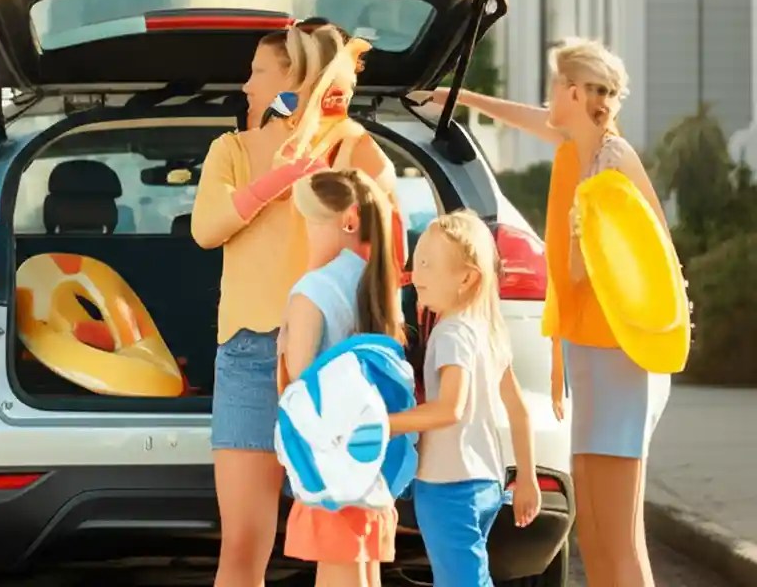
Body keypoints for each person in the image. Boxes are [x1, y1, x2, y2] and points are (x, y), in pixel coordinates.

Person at [416, 38, 671, 586]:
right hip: (587, 354)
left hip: (622, 359)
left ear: (574, 93)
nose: (547, 98)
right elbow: (523, 117)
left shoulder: (613, 158)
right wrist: (458, 100)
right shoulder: (570, 145)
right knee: (595, 533)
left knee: (621, 536)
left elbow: (659, 253)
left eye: (554, 87)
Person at [191, 22, 338, 587]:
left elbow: (378, 235)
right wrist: (279, 178)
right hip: (250, 354)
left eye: (257, 71)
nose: (246, 84)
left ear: (294, 77)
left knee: (337, 539)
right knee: (244, 546)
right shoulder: (230, 150)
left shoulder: (347, 145)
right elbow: (206, 228)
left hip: (329, 355)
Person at [387, 211, 542, 586]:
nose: (416, 272)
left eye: (427, 263)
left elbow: (449, 409)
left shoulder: (452, 334)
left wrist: (383, 423)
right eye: (416, 260)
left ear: (467, 278)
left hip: (448, 486)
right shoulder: (486, 330)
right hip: (486, 481)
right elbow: (519, 412)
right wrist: (527, 477)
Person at [277, 169, 403, 587]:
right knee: (364, 576)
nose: (306, 234)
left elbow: (298, 383)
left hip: (329, 461)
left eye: (312, 222)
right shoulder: (377, 286)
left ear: (348, 221)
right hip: (372, 465)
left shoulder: (313, 290)